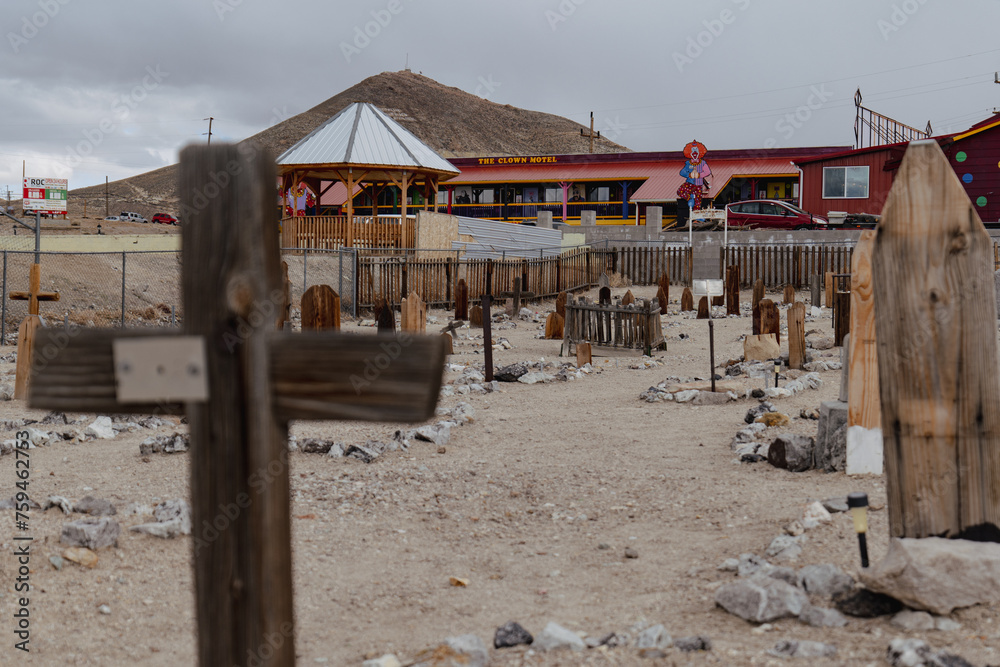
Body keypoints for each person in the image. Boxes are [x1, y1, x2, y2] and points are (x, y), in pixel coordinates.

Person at [677, 140, 712, 211]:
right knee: (680, 191)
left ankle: (696, 218)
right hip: (689, 183)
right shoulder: (688, 163)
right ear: (689, 153)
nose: (694, 152)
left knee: (698, 203)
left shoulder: (702, 163)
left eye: (696, 150)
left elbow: (708, 172)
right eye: (692, 150)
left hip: (698, 185)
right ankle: (690, 197)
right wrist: (689, 174)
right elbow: (682, 172)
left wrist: (699, 175)